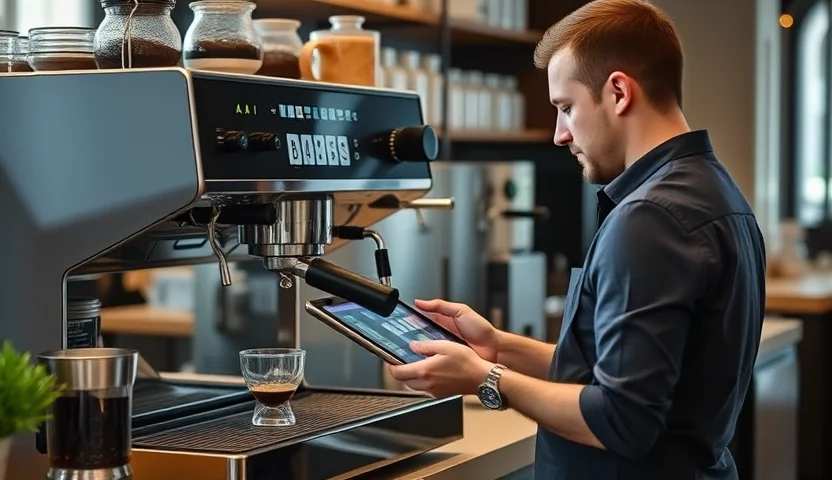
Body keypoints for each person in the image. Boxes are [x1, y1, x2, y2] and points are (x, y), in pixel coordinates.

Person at [386, 0, 766, 478]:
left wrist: (485, 378)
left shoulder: (650, 218)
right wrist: (499, 347)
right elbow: (625, 371)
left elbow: (622, 419)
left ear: (619, 93)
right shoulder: (714, 189)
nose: (559, 135)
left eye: (566, 108)